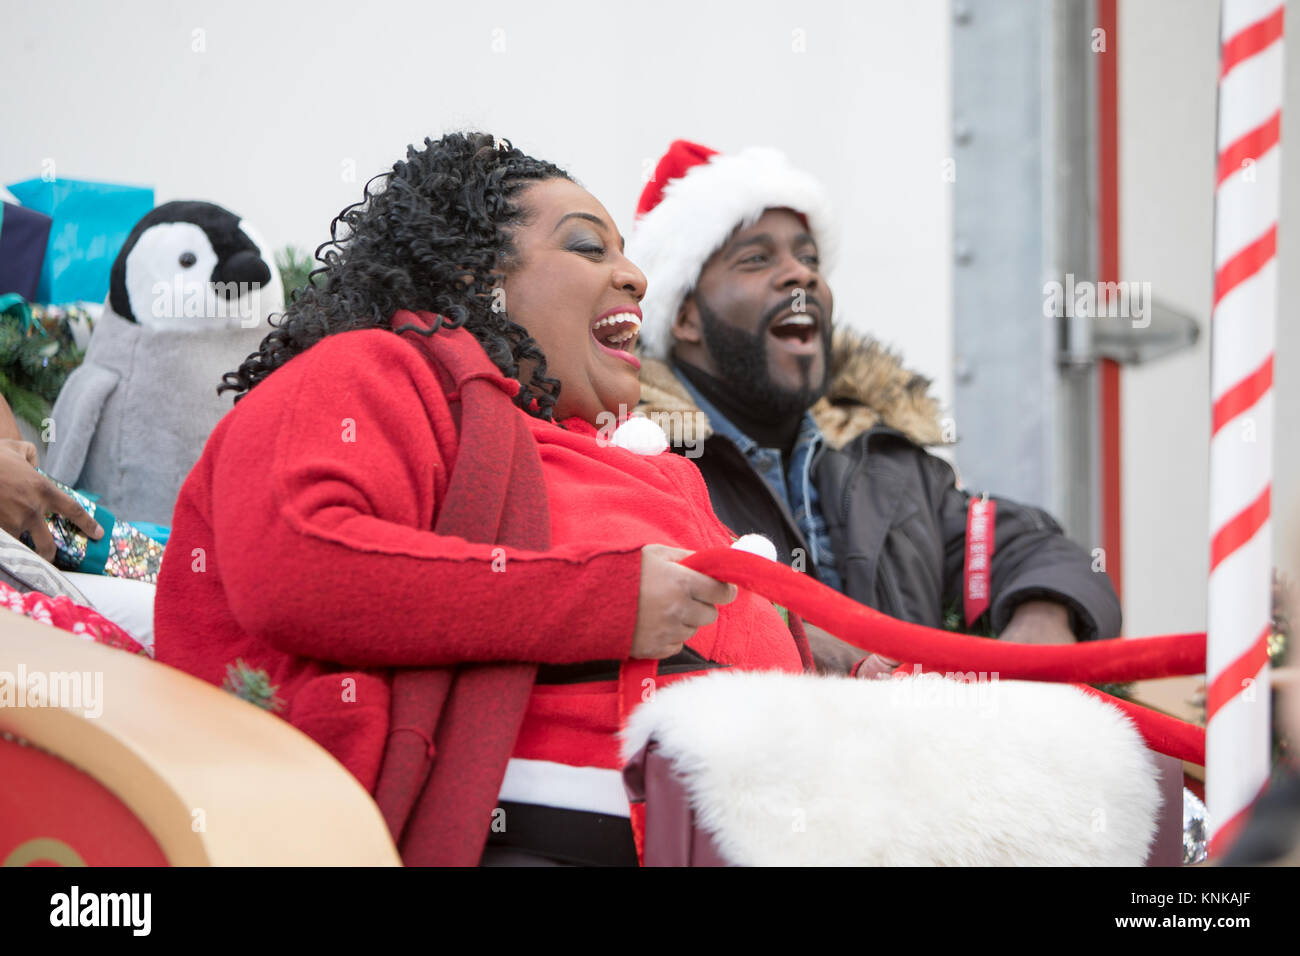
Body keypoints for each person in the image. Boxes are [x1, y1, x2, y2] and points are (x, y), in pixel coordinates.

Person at [152, 133, 808, 867]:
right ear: (472, 275)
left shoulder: (619, 447)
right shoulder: (367, 367)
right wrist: (606, 602)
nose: (634, 277)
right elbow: (296, 567)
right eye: (589, 248)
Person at [627, 140, 1122, 677]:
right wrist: (807, 647)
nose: (802, 275)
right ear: (684, 319)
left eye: (809, 257)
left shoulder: (890, 466)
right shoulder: (642, 467)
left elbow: (1026, 547)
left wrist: (1044, 617)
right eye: (756, 259)